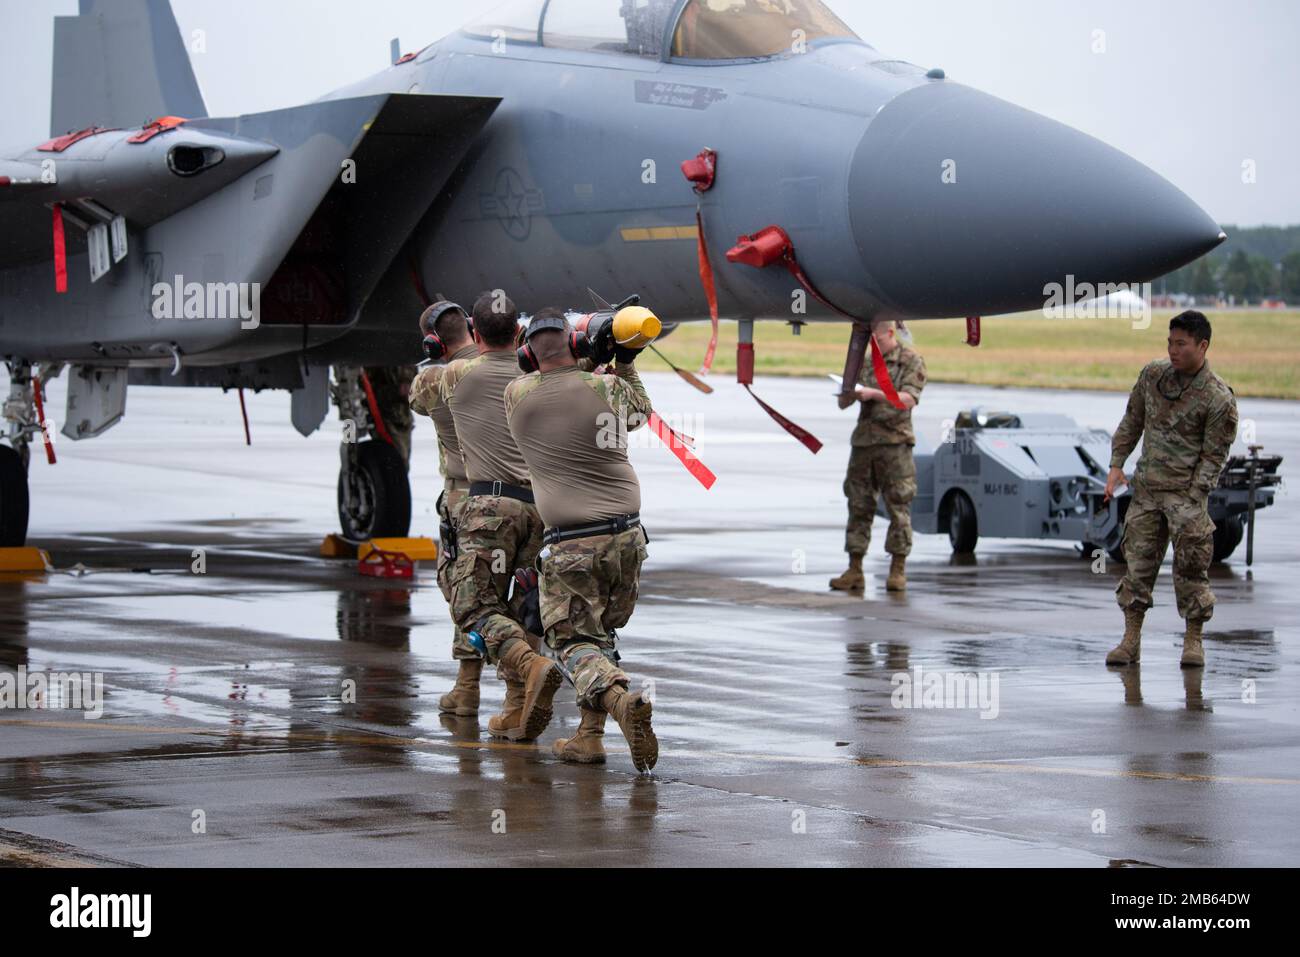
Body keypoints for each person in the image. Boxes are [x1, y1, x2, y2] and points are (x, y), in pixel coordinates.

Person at [504, 309, 658, 771]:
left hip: (573, 543)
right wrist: (623, 357)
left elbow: (556, 382)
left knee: (572, 642)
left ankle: (618, 699)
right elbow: (640, 410)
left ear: (528, 354)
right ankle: (589, 737)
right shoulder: (607, 389)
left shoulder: (517, 395)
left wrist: (587, 357)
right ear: (576, 346)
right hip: (628, 537)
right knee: (600, 635)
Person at [439, 291, 558, 740]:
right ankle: (515, 708)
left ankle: (529, 669)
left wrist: (459, 340)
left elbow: (418, 393)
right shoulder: (541, 376)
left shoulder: (456, 373)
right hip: (541, 510)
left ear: (474, 329)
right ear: (518, 331)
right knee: (525, 609)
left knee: (473, 605)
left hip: (490, 507)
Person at [1105, 311, 1238, 669]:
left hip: (1186, 498)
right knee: (1137, 567)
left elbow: (1214, 455)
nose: (1173, 350)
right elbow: (1132, 420)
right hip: (1147, 493)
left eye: (1181, 344)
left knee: (1192, 571)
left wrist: (1194, 497)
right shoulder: (1153, 376)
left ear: (1202, 345)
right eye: (1170, 342)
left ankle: (1193, 641)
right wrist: (1117, 463)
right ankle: (1131, 640)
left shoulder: (1217, 398)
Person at [409, 301, 481, 715]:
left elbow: (417, 399)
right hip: (528, 497)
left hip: (464, 498)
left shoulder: (433, 380)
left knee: (465, 592)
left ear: (434, 343)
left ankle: (467, 689)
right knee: (523, 595)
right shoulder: (515, 372)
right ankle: (519, 693)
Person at [831, 320, 927, 593]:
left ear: (890, 333)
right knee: (858, 505)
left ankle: (897, 570)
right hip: (864, 443)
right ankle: (854, 569)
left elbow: (907, 399)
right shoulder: (864, 362)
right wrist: (848, 392)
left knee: (899, 505)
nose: (874, 344)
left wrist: (874, 394)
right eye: (870, 339)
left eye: (877, 339)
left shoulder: (910, 360)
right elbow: (842, 403)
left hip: (895, 443)